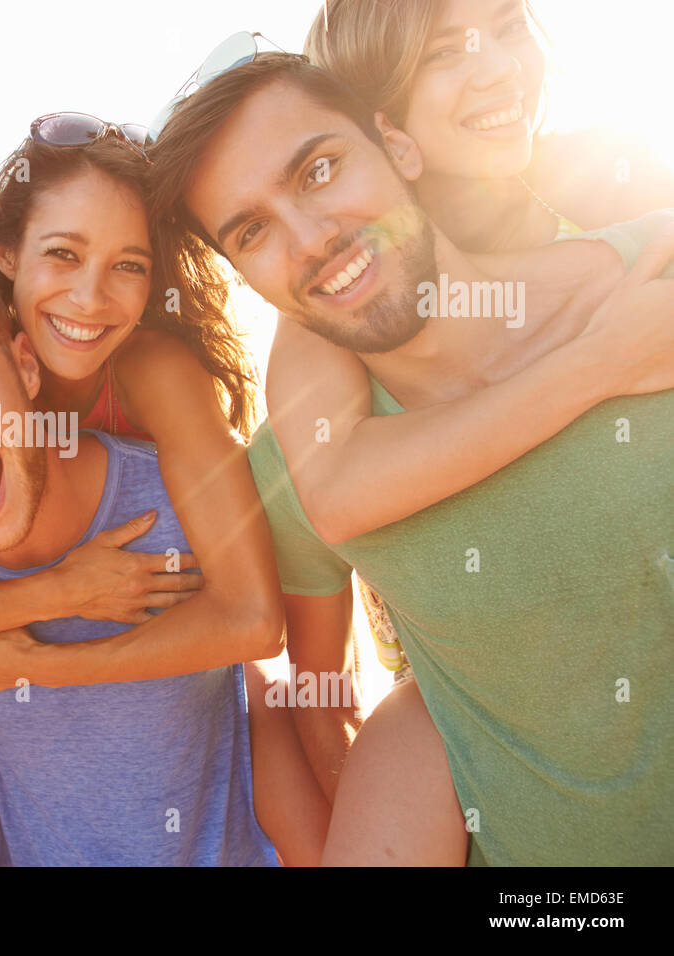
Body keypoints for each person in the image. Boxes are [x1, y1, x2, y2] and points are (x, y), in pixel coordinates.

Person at [148, 50, 674, 864]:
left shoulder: (651, 276)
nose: (313, 240)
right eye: (252, 231)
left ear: (398, 147)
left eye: (320, 170)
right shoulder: (296, 465)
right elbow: (319, 696)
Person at [0, 121, 328, 864]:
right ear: (9, 254)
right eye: (64, 254)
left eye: (127, 266)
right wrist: (57, 594)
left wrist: (43, 665)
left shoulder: (153, 371)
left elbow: (255, 619)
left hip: (188, 693)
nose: (91, 298)